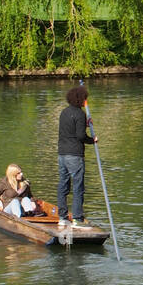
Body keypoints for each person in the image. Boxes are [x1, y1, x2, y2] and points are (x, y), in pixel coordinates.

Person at [57, 85, 96, 228]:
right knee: (78, 187)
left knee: (63, 185)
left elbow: (70, 130)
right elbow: (80, 136)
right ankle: (77, 218)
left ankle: (62, 217)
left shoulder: (64, 112)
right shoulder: (80, 114)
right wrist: (93, 140)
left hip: (62, 154)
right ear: (81, 99)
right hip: (75, 155)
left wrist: (84, 124)